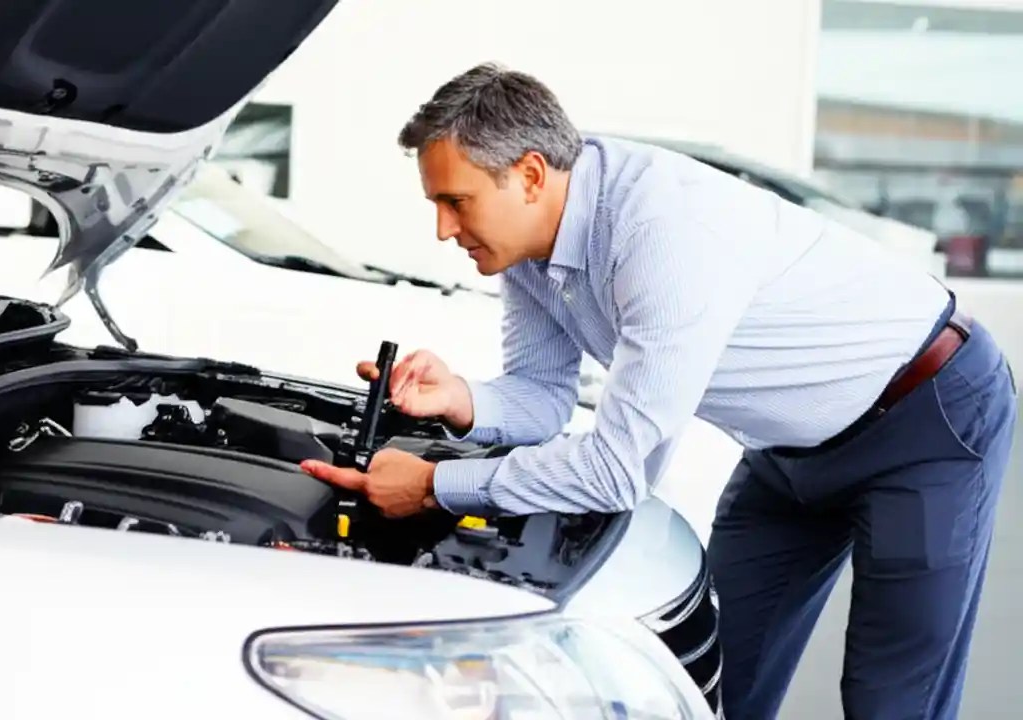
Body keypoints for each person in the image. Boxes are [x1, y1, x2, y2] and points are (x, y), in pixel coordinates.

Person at [297, 62, 1018, 719]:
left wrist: (435, 486)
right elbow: (542, 399)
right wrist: (464, 400)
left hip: (926, 416)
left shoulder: (662, 233)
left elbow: (617, 473)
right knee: (705, 679)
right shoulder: (526, 249)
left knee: (891, 700)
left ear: (530, 174)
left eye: (456, 202)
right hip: (786, 451)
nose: (442, 229)